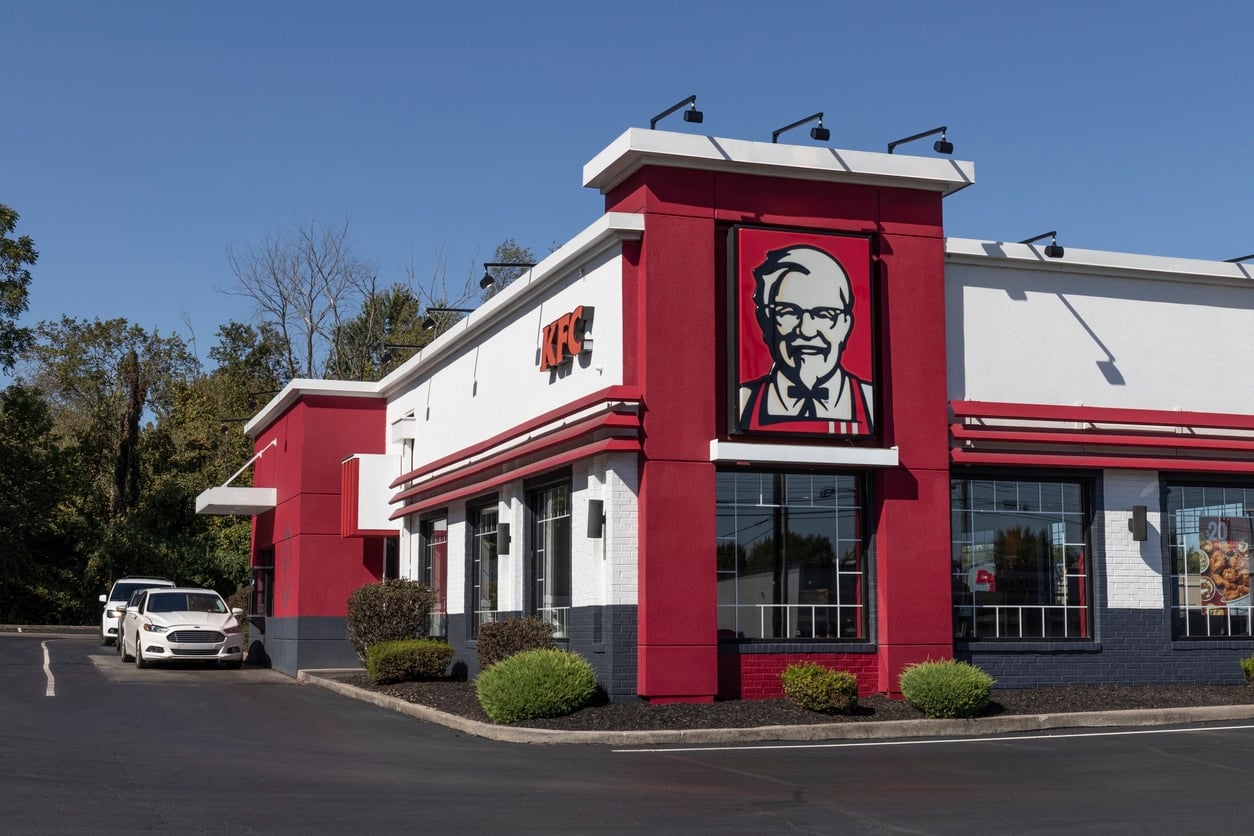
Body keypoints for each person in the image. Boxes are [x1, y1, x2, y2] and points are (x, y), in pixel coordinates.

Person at [738, 244, 873, 434]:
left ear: (845, 325)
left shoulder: (870, 401)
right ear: (766, 321)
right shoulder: (743, 402)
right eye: (789, 312)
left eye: (824, 314)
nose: (807, 330)